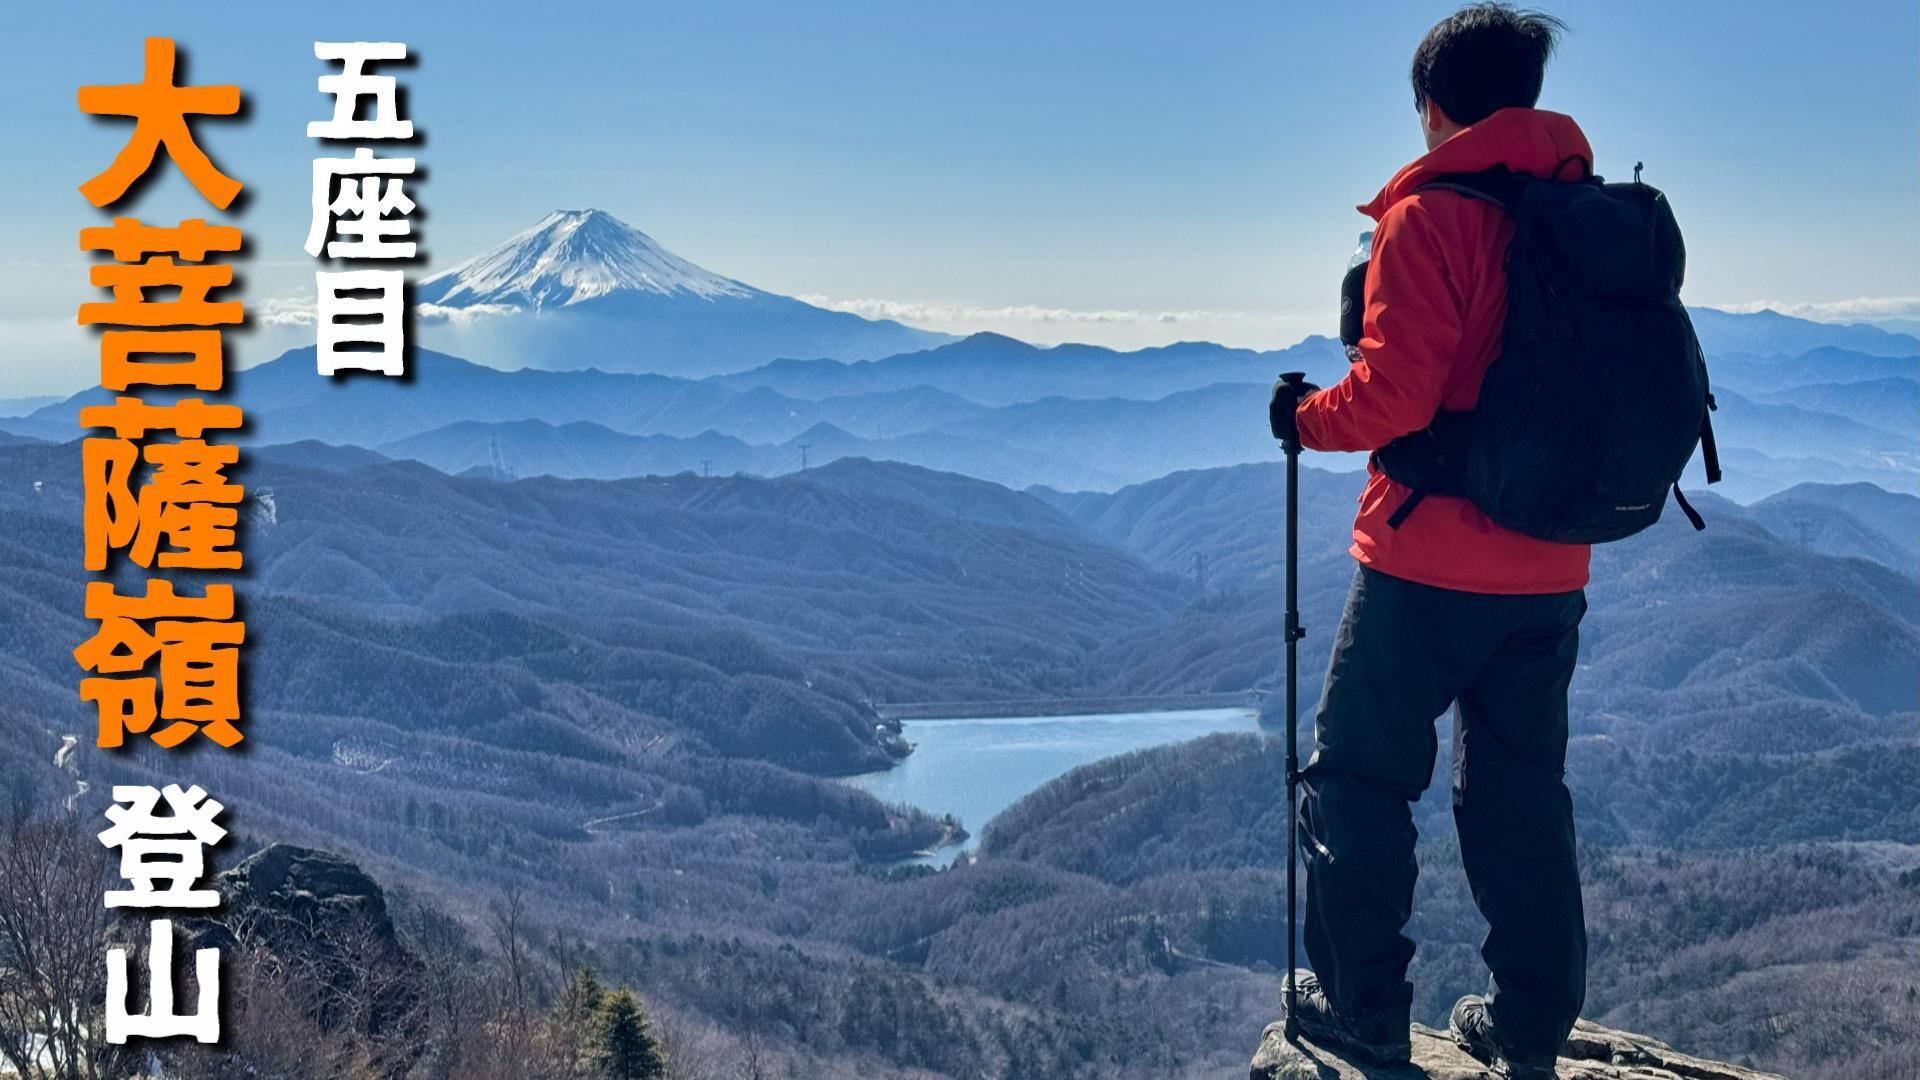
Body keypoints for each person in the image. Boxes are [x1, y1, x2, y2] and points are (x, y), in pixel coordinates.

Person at [1267, 5, 1591, 1077]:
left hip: (1426, 565)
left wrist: (1304, 419)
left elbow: (1394, 401)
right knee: (1520, 793)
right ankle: (1532, 1025)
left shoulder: (1434, 215)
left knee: (1356, 780)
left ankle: (1363, 1010)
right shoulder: (1577, 212)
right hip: (1552, 561)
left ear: (1435, 106)